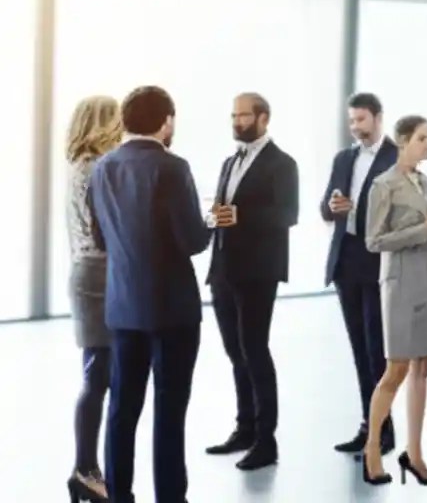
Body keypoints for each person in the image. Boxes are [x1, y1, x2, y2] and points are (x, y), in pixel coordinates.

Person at [90, 86, 211, 503]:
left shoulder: (102, 168)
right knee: (169, 412)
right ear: (166, 121)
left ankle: (119, 495)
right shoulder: (173, 167)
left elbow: (99, 238)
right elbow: (192, 240)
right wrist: (211, 221)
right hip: (173, 310)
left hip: (123, 308)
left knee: (121, 409)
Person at [205, 93, 299, 472]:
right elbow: (225, 210)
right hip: (224, 270)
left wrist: (239, 215)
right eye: (233, 114)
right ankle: (244, 429)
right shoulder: (230, 162)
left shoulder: (282, 163)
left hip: (258, 272)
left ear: (263, 118)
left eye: (243, 115)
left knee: (255, 351)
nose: (236, 121)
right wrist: (217, 214)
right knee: (235, 352)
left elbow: (287, 214)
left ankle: (266, 441)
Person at [361, 115, 427, 485]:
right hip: (400, 282)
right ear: (403, 142)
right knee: (396, 370)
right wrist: (424, 228)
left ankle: (414, 454)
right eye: (423, 138)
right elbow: (373, 241)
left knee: (423, 368)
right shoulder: (385, 185)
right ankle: (371, 449)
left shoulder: (425, 181)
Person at [322, 93, 398, 456]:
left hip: (378, 264)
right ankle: (370, 425)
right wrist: (334, 206)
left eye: (362, 120)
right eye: (352, 121)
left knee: (376, 352)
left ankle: (384, 429)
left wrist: (359, 208)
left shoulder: (396, 158)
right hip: (346, 262)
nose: (356, 127)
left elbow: (403, 214)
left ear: (379, 118)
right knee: (358, 350)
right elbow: (325, 207)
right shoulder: (343, 158)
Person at [64, 95, 123, 503]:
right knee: (99, 374)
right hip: (99, 276)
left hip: (87, 273)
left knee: (97, 373)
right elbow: (106, 231)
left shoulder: (79, 167)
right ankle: (86, 469)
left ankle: (86, 469)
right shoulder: (97, 169)